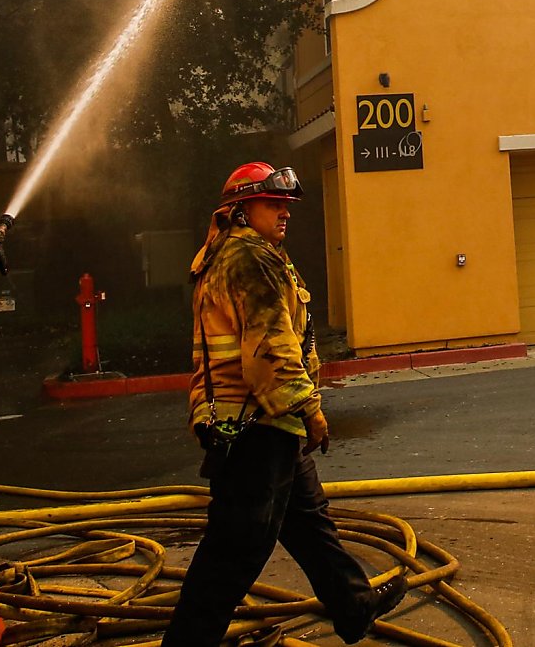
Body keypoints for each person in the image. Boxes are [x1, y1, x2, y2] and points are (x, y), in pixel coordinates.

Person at [161, 162, 405, 647]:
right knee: (236, 549)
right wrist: (309, 408)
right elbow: (270, 350)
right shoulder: (248, 259)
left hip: (266, 421)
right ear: (241, 209)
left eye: (286, 205)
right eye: (274, 204)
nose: (284, 212)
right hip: (256, 424)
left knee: (311, 522)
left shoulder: (236, 254)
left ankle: (354, 608)